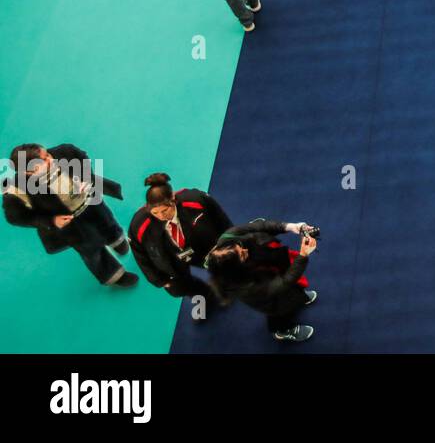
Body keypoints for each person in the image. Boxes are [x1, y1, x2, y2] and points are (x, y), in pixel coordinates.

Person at [4, 142, 136, 288]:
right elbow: (15, 217)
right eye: (44, 161)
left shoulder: (64, 152)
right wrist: (51, 221)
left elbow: (82, 156)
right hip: (71, 225)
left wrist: (86, 178)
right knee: (91, 250)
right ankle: (113, 275)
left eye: (47, 154)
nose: (51, 159)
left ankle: (117, 241)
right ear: (28, 172)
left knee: (108, 223)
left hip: (91, 203)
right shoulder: (16, 189)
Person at [128, 173, 233, 313]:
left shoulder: (196, 200)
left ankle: (223, 287)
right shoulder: (139, 225)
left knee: (222, 269)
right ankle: (205, 298)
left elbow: (221, 220)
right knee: (180, 289)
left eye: (165, 210)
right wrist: (160, 281)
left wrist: (231, 242)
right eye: (155, 213)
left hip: (203, 248)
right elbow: (140, 255)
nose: (161, 216)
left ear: (173, 199)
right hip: (171, 261)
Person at [204, 219, 320, 342]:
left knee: (293, 291)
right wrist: (303, 255)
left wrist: (290, 227)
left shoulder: (229, 236)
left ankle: (298, 296)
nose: (245, 250)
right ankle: (281, 331)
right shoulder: (245, 287)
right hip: (270, 297)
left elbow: (258, 226)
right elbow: (283, 283)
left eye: (240, 247)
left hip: (270, 269)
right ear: (236, 268)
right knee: (280, 310)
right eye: (242, 255)